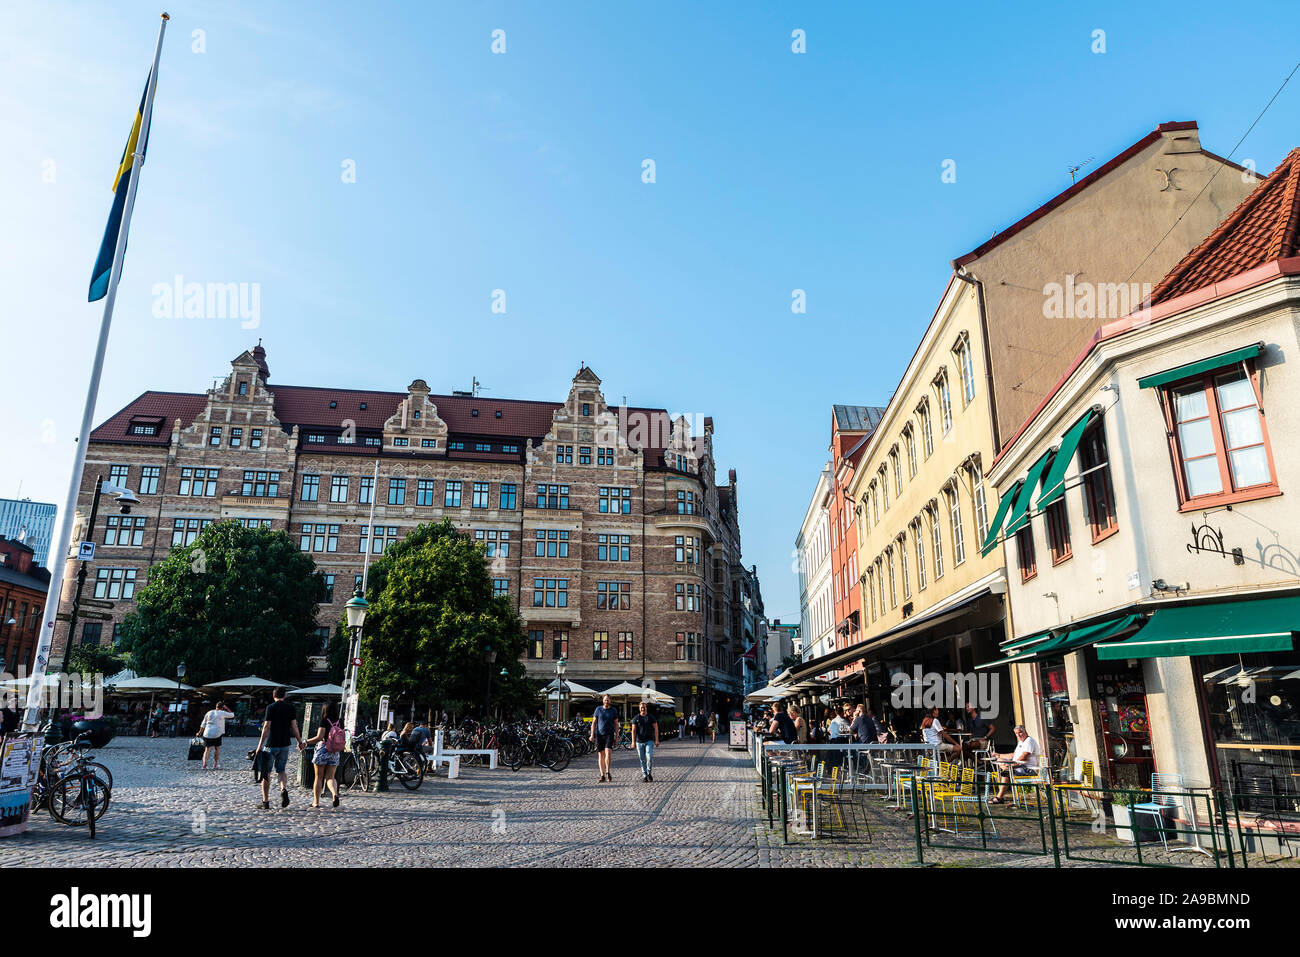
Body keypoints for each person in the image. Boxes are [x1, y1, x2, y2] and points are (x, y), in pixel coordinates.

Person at [252, 687, 303, 810]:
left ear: (273, 695)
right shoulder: (290, 707)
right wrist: (299, 741)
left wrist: (259, 745)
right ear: (284, 695)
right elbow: (294, 726)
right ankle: (283, 789)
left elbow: (266, 727)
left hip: (271, 744)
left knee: (266, 773)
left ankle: (265, 801)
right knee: (281, 770)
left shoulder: (271, 707)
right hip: (285, 744)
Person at [302, 702, 345, 808]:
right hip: (335, 751)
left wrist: (305, 742)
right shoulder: (340, 721)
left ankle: (316, 802)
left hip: (323, 750)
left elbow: (319, 737)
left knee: (318, 777)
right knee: (331, 777)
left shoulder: (324, 720)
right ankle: (334, 794)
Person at [989, 725, 1042, 803]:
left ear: (1025, 732)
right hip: (1020, 766)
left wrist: (1011, 765)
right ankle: (1005, 769)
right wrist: (999, 755)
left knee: (1006, 773)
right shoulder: (1021, 742)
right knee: (1000, 760)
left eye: (1020, 732)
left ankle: (999, 798)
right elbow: (1013, 755)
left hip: (1029, 769)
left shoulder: (1029, 741)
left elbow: (1024, 757)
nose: (1018, 735)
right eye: (1016, 734)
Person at [197, 700, 235, 770]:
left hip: (207, 733)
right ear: (222, 707)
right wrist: (227, 708)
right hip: (217, 733)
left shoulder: (209, 712)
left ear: (216, 706)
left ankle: (204, 765)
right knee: (217, 749)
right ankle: (215, 764)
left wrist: (199, 733)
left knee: (207, 749)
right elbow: (232, 715)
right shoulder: (222, 713)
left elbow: (203, 723)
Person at [590, 694, 620, 782]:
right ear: (603, 700)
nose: (606, 701)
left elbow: (616, 724)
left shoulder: (613, 710)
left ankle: (607, 771)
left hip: (609, 734)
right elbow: (594, 723)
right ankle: (602, 774)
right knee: (601, 755)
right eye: (605, 700)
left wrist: (617, 736)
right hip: (599, 734)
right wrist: (592, 735)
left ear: (610, 701)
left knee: (608, 753)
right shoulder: (598, 709)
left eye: (608, 700)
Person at [632, 701, 659, 782]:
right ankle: (644, 775)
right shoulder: (636, 718)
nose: (643, 708)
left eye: (644, 706)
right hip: (639, 742)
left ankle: (649, 773)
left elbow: (656, 728)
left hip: (649, 741)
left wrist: (657, 740)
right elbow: (633, 730)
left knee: (649, 757)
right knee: (642, 759)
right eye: (641, 707)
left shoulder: (651, 717)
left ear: (646, 708)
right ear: (639, 708)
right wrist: (633, 742)